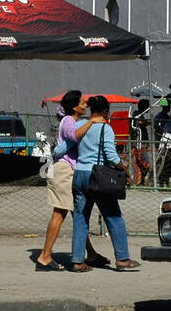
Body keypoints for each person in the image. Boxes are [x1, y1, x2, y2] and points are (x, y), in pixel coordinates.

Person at [34, 90, 104, 271]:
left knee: (78, 215)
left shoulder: (73, 121)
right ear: (74, 107)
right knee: (60, 213)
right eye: (82, 102)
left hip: (70, 170)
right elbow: (74, 136)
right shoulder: (68, 121)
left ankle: (91, 253)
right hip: (63, 171)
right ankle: (44, 256)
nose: (85, 105)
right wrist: (91, 121)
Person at [69, 96, 140, 273]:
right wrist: (126, 172)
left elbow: (67, 145)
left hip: (79, 174)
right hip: (98, 176)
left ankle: (78, 261)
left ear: (91, 109)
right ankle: (122, 258)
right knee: (114, 217)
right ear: (106, 111)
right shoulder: (106, 128)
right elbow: (111, 156)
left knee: (80, 218)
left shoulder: (80, 125)